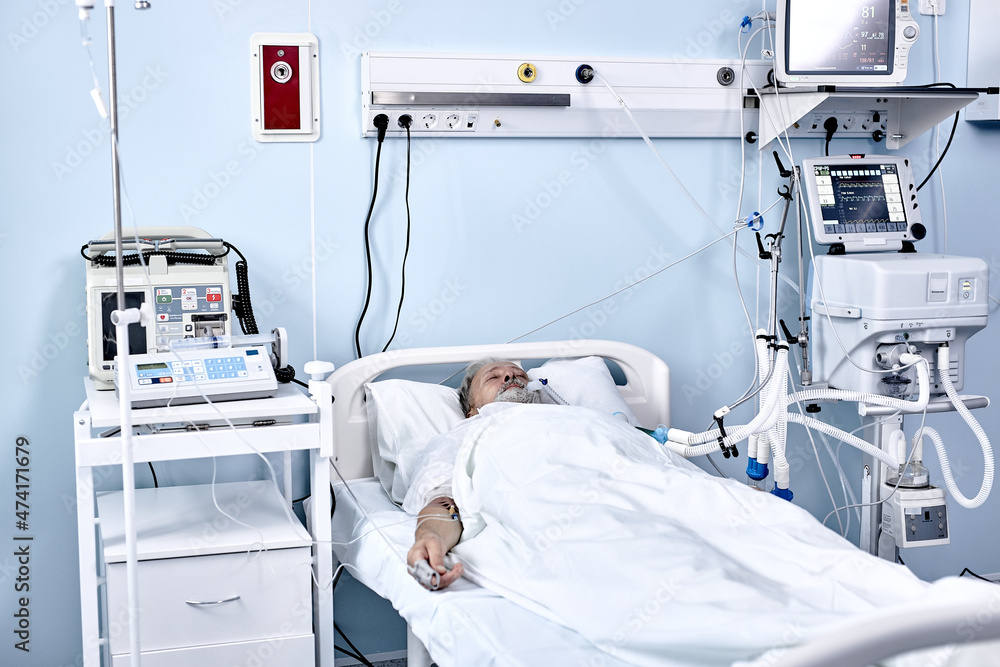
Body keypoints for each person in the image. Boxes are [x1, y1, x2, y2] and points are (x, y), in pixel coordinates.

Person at [406, 359, 540, 589]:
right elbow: (445, 500)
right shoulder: (464, 435)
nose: (510, 377)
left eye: (519, 374)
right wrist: (431, 536)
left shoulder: (577, 418)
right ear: (471, 410)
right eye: (493, 377)